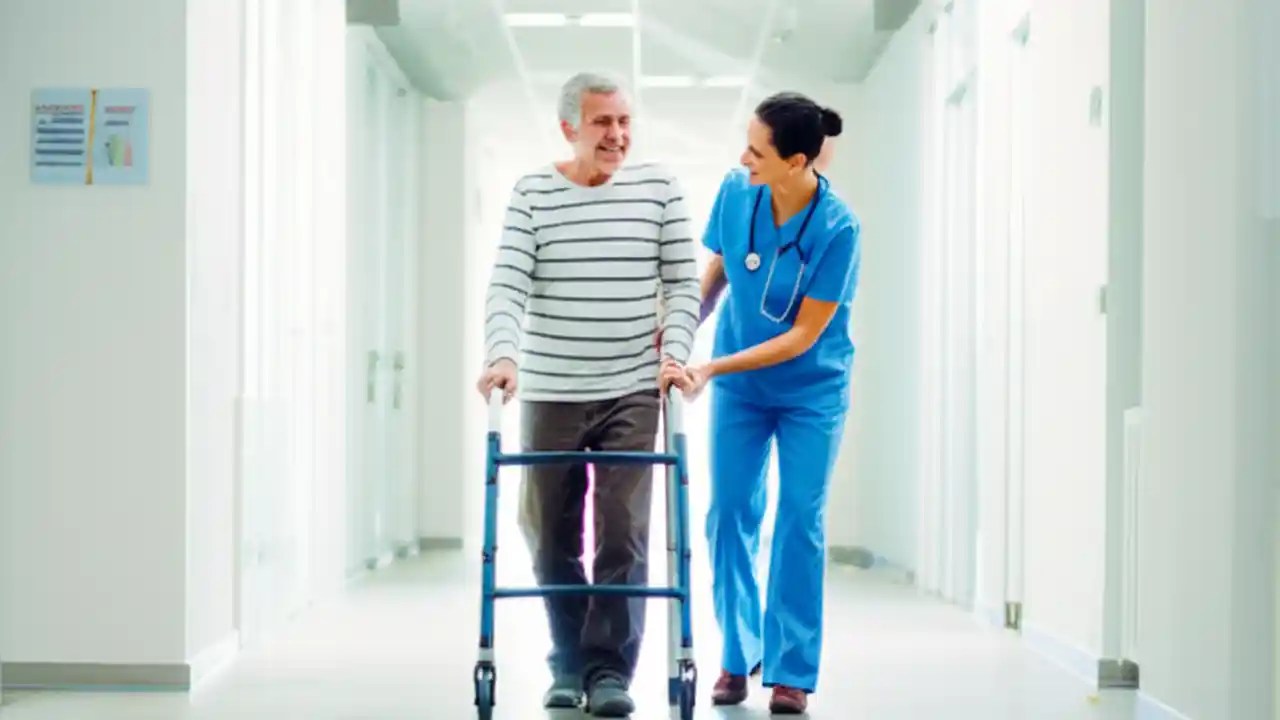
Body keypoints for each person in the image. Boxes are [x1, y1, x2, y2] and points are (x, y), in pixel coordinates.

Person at [476, 71, 700, 717]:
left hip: (632, 384)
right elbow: (507, 285)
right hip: (550, 387)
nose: (618, 135)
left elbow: (683, 285)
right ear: (569, 127)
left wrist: (676, 354)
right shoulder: (534, 193)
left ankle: (609, 672)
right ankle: (567, 660)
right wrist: (501, 355)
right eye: (603, 123)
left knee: (623, 532)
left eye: (625, 122)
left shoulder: (659, 190)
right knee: (549, 533)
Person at [663, 92, 861, 715]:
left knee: (800, 520)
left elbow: (803, 336)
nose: (742, 156)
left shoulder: (838, 228)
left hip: (811, 390)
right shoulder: (737, 192)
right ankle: (735, 654)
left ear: (797, 159)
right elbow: (719, 269)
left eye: (756, 148)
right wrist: (683, 327)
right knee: (727, 516)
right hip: (744, 392)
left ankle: (791, 671)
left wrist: (711, 367)